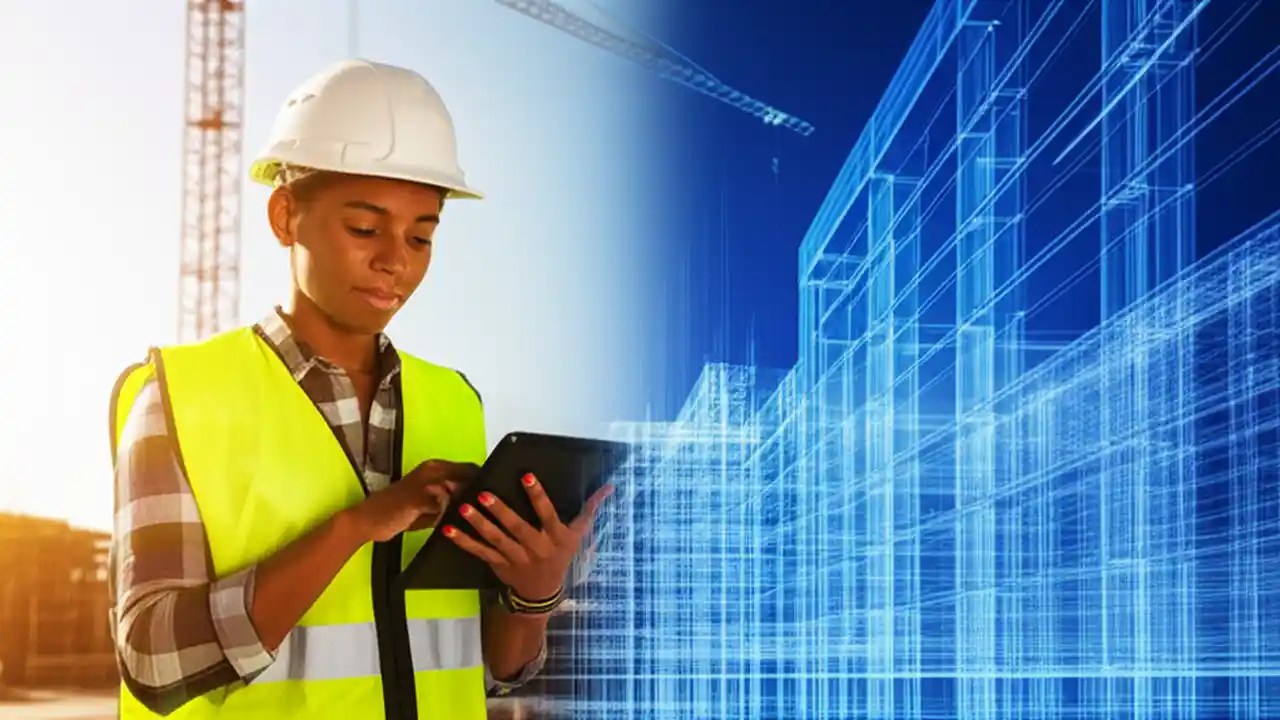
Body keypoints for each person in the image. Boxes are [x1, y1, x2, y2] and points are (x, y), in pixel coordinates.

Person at [106, 58, 611, 719]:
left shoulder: (455, 403)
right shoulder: (182, 398)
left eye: (421, 236)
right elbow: (154, 660)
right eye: (365, 228)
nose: (395, 260)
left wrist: (534, 591)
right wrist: (354, 525)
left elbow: (495, 672)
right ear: (286, 217)